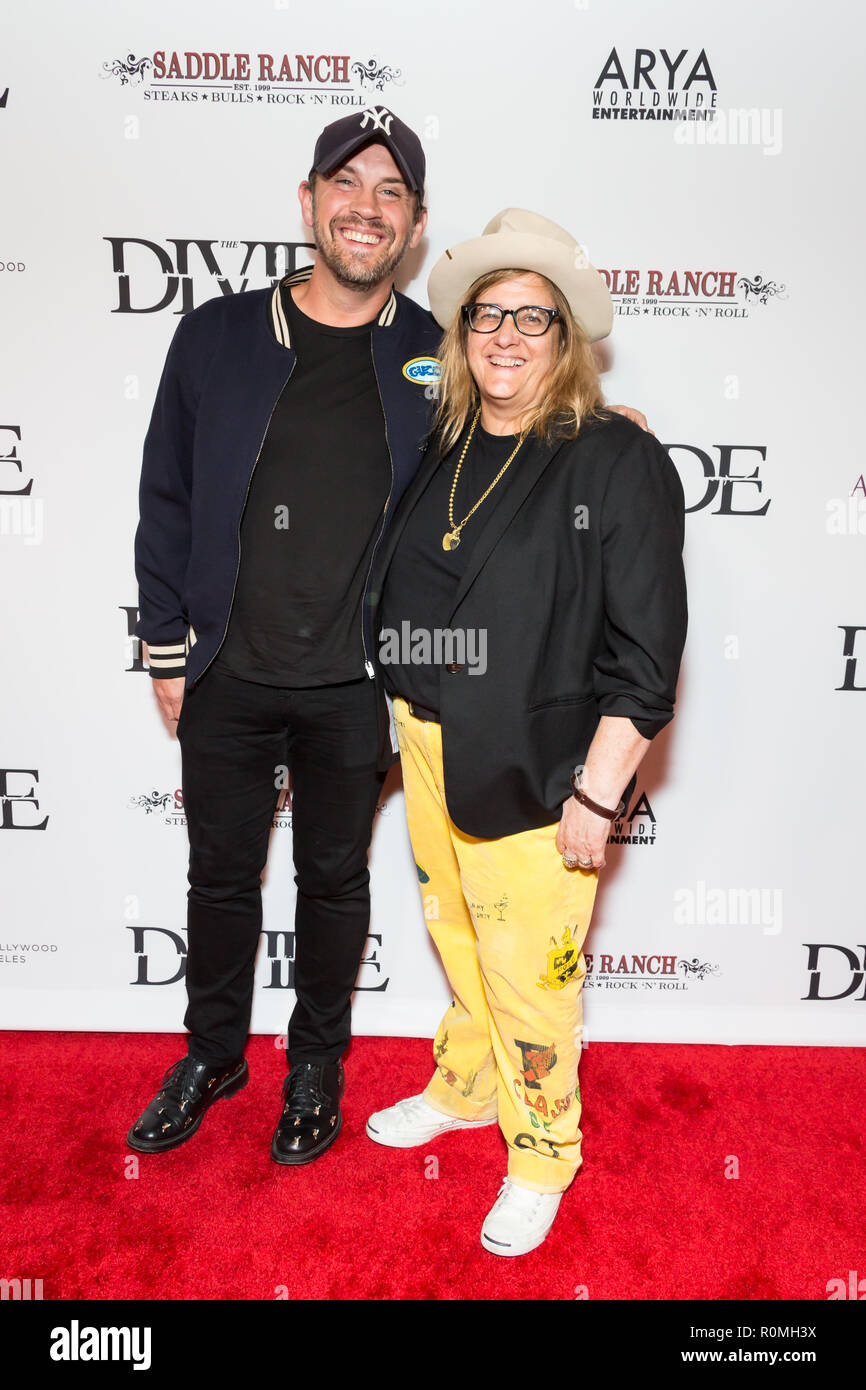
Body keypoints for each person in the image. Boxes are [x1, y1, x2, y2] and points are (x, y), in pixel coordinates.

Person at [128, 109, 650, 1169]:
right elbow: (166, 494)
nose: (364, 207)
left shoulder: (438, 350)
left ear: (412, 226)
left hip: (359, 684)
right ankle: (211, 1052)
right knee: (218, 875)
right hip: (226, 666)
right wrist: (166, 643)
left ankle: (315, 1063)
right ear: (309, 199)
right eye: (345, 183)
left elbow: (523, 420)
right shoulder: (216, 334)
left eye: (390, 193)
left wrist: (611, 429)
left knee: (334, 880)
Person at [365, 209, 688, 1254]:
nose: (504, 335)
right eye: (485, 316)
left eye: (532, 319)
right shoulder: (447, 439)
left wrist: (600, 792)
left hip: (536, 767)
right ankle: (464, 1084)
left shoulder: (614, 461)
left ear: (566, 339)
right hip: (424, 738)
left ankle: (542, 1151)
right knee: (458, 942)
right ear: (459, 335)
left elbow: (645, 656)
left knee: (529, 977)